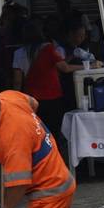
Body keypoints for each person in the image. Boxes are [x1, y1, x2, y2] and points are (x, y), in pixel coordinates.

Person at [24, 19, 89, 157]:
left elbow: (18, 78)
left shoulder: (20, 52)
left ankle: (39, 159)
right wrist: (89, 66)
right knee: (53, 131)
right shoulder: (47, 48)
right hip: (51, 96)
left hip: (30, 97)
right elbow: (64, 68)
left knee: (37, 131)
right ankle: (53, 160)